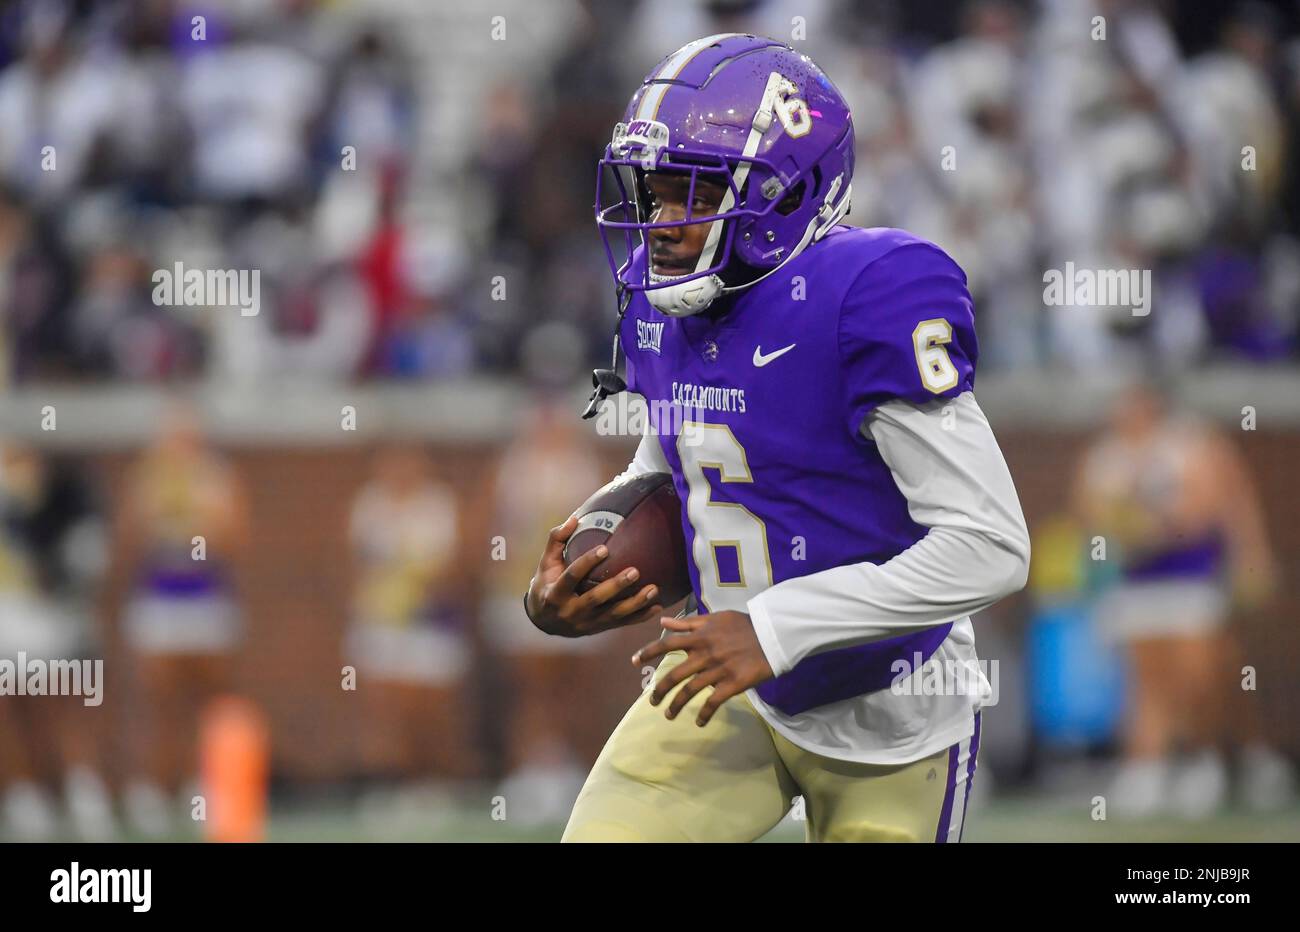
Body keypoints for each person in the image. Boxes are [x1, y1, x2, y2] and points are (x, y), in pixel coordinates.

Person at [524, 34, 1030, 842]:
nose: (658, 222)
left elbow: (992, 544)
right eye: (652, 194)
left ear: (784, 196)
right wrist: (590, 561)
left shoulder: (867, 297)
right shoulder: (663, 307)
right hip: (726, 686)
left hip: (890, 712)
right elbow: (673, 462)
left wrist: (774, 627)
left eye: (689, 192)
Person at [1074, 380, 1290, 817]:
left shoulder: (1190, 444)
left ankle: (1218, 758)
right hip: (1136, 581)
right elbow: (1088, 511)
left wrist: (1251, 554)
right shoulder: (1106, 457)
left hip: (1192, 575)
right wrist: (1120, 526)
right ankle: (1148, 767)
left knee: (1205, 674)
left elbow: (1211, 506)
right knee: (1148, 677)